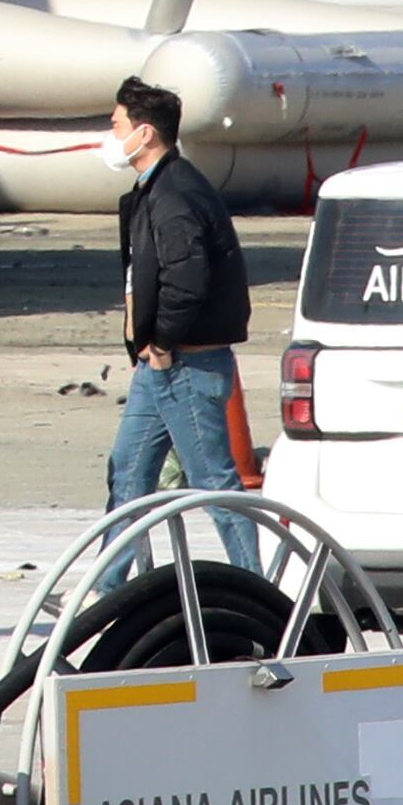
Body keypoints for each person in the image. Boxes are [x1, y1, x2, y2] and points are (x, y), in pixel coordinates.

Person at [106, 76, 260, 564]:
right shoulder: (155, 188)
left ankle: (254, 586)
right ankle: (106, 588)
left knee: (214, 483)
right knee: (127, 474)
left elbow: (186, 277)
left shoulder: (175, 194)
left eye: (116, 125)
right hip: (158, 365)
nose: (110, 137)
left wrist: (165, 339)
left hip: (185, 365)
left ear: (145, 133)